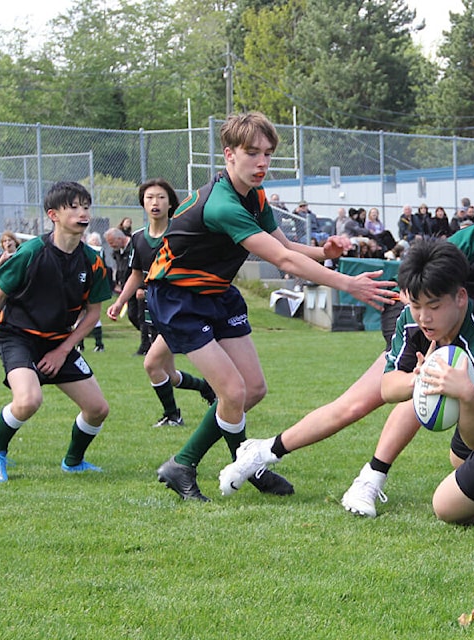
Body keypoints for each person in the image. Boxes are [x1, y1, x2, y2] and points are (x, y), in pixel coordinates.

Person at [217, 175, 474, 517]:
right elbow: (425, 280)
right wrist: (422, 318)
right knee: (374, 399)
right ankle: (364, 477)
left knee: (419, 410)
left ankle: (265, 451)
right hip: (412, 312)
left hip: (453, 331)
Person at [146, 111, 395, 502]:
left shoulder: (255, 195)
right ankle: (184, 464)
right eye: (252, 153)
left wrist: (323, 251)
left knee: (253, 389)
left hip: (218, 293)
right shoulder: (222, 205)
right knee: (231, 391)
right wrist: (348, 284)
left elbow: (285, 246)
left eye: (267, 153)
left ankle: (242, 462)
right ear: (229, 154)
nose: (262, 162)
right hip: (179, 299)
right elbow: (282, 262)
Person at [0, 181, 111, 483]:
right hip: (18, 337)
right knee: (28, 401)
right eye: (72, 207)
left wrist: (63, 351)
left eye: (85, 206)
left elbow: (93, 313)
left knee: (98, 408)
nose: (82, 212)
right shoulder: (32, 252)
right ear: (53, 215)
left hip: (58, 342)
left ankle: (73, 462)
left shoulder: (93, 260)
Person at [106, 178, 217, 428]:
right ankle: (206, 389)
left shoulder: (180, 232)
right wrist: (120, 302)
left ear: (170, 203)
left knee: (151, 364)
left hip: (178, 310)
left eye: (161, 197)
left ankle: (173, 415)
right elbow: (136, 274)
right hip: (153, 310)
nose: (155, 202)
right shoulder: (137, 238)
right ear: (143, 204)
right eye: (149, 198)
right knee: (169, 374)